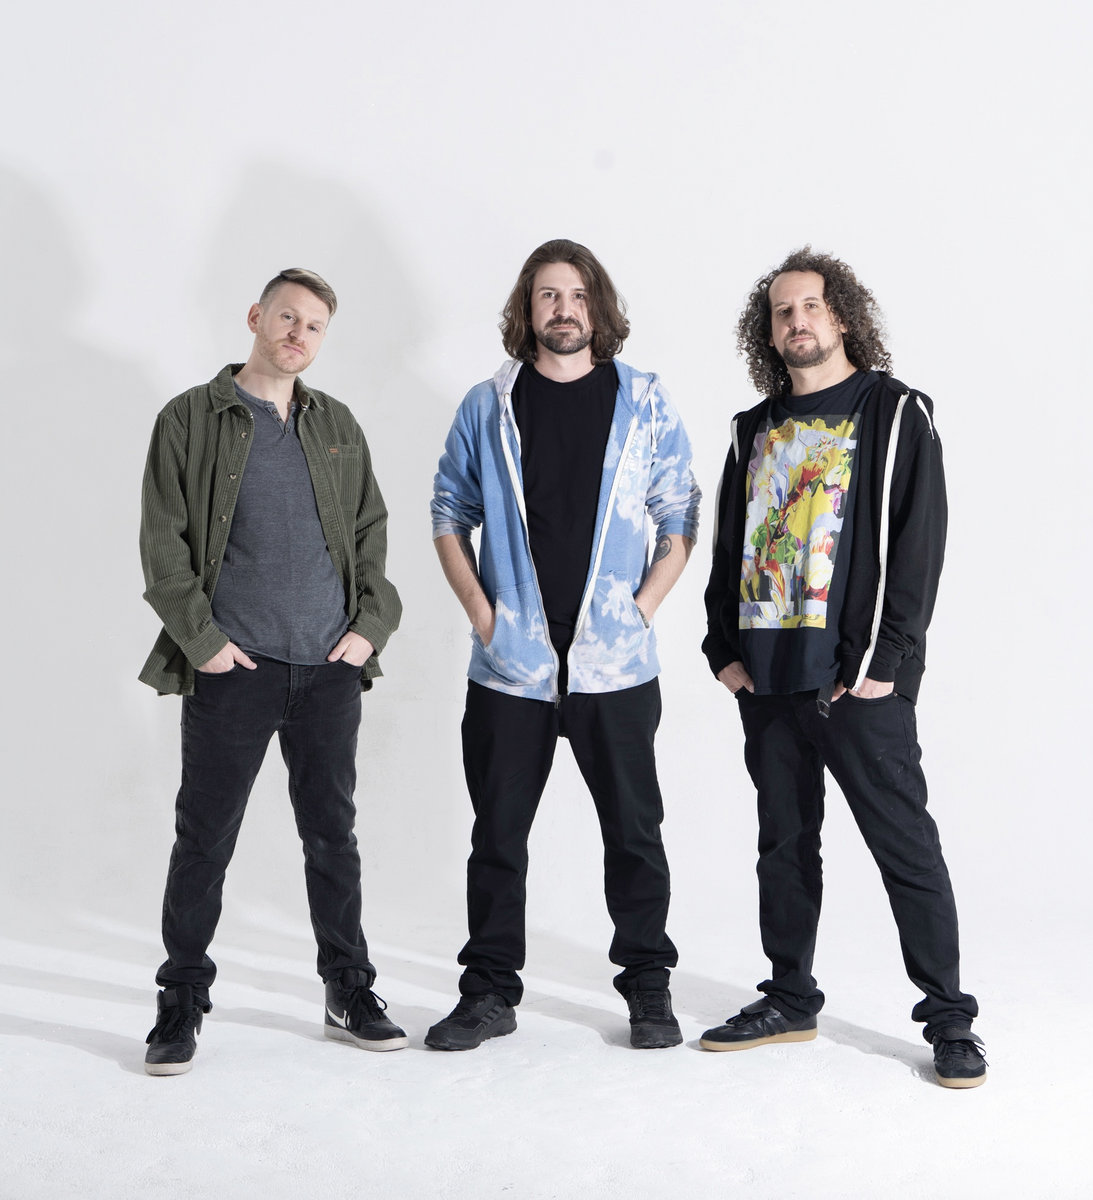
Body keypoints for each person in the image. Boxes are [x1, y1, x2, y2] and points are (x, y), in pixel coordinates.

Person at [700, 247, 986, 1088]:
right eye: (782, 311)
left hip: (858, 682)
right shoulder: (752, 429)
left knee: (905, 847)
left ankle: (950, 1018)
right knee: (784, 845)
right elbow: (730, 543)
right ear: (768, 331)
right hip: (770, 677)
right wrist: (722, 650)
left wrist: (885, 661)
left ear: (843, 316)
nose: (797, 321)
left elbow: (919, 544)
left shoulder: (895, 413)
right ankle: (790, 997)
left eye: (811, 306)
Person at [428, 239, 701, 1051]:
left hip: (615, 668)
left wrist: (641, 611)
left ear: (598, 306)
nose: (564, 309)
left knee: (634, 834)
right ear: (528, 308)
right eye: (548, 294)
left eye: (578, 294)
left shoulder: (642, 400)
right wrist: (485, 619)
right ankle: (488, 993)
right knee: (497, 837)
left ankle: (648, 989)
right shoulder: (488, 406)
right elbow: (448, 512)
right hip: (510, 669)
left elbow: (681, 510)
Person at [138, 268, 406, 1075]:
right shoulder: (190, 418)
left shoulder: (337, 424)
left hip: (328, 669)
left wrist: (367, 631)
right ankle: (182, 998)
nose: (299, 334)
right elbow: (163, 542)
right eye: (287, 317)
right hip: (234, 669)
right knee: (204, 838)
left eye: (314, 325)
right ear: (256, 317)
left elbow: (371, 532)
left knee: (333, 836)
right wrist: (205, 644)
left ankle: (348, 988)